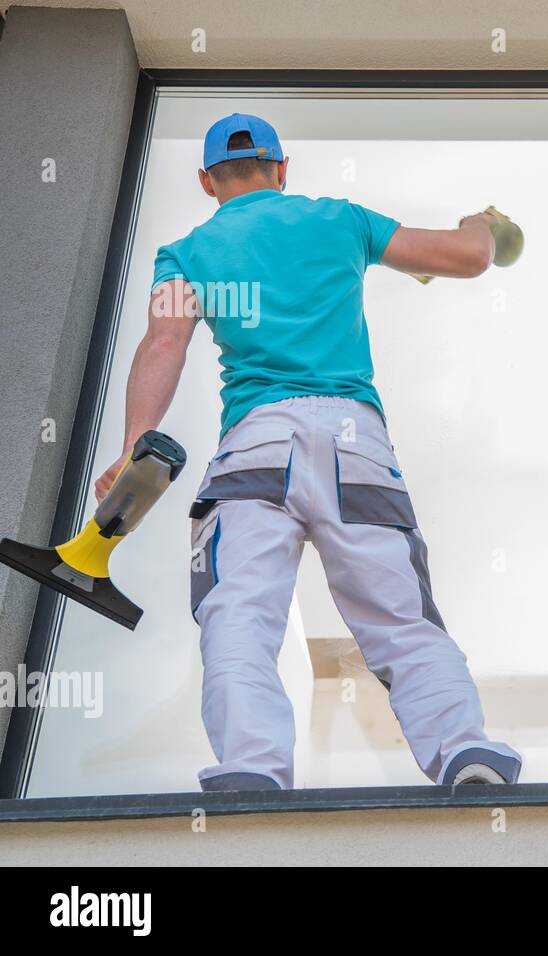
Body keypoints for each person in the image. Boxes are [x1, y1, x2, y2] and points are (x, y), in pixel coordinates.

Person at [93, 113, 522, 791]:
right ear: (282, 168)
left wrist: (131, 449)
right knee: (398, 616)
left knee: (240, 611)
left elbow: (163, 343)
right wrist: (483, 225)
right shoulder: (341, 222)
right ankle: (465, 753)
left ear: (208, 181)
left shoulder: (188, 253)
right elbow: (467, 257)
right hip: (356, 444)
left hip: (256, 446)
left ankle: (252, 771)